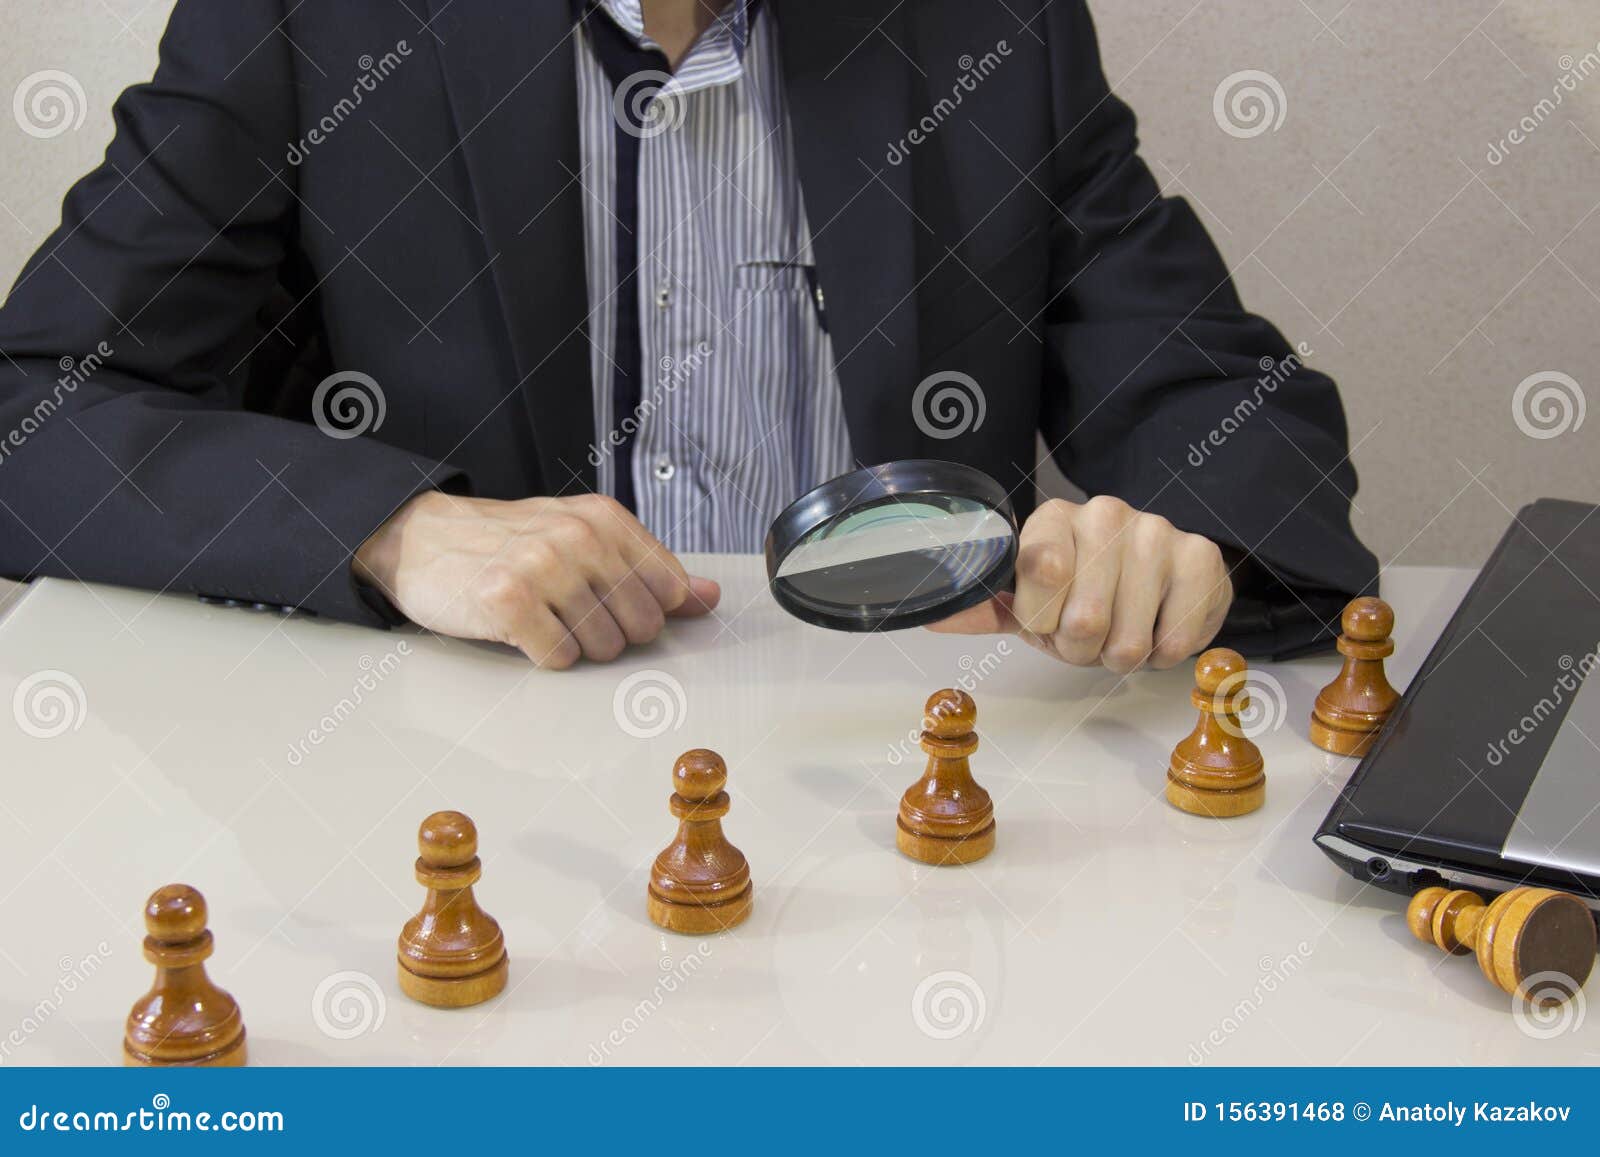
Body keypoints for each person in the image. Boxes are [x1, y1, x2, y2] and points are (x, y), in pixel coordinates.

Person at [0, 0, 1375, 671]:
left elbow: (1236, 415)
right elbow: (34, 411)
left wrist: (1174, 548)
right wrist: (392, 527)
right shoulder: (318, 17)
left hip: (918, 804)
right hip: (469, 805)